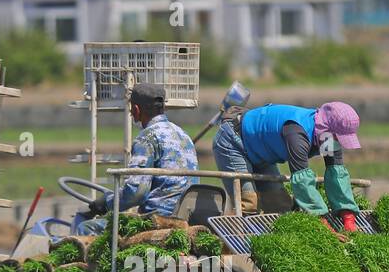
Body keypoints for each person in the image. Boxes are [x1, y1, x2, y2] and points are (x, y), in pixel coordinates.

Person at [211, 100, 363, 232]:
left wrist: (348, 216)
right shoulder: (297, 132)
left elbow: (336, 174)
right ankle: (223, 249)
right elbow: (302, 182)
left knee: (280, 204)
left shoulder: (327, 136)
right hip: (234, 142)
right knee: (248, 204)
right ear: (327, 128)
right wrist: (321, 221)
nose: (337, 142)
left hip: (262, 151)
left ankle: (261, 239)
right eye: (337, 137)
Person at [73, 82, 198, 235]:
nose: (131, 113)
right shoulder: (184, 136)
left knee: (85, 228)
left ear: (136, 109)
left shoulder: (147, 138)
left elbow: (137, 192)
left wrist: (106, 203)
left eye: (132, 108)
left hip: (158, 219)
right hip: (187, 216)